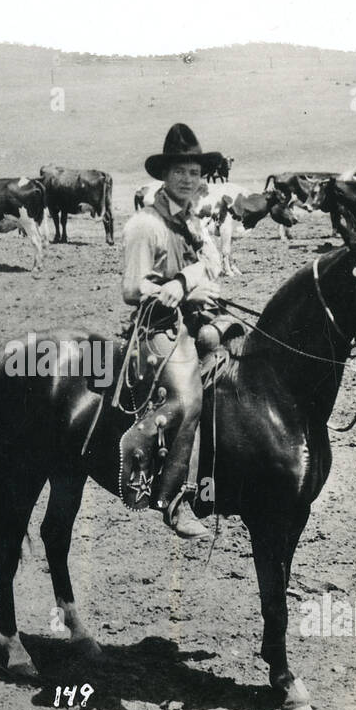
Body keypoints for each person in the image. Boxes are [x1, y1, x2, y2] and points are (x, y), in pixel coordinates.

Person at [120, 123, 223, 539]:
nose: (188, 179)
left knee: (238, 351)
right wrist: (171, 290)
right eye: (180, 171)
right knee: (188, 394)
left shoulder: (193, 222)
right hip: (156, 327)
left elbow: (212, 262)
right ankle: (176, 499)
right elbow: (131, 289)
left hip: (193, 317)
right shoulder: (147, 225)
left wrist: (186, 281)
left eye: (195, 172)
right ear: (164, 175)